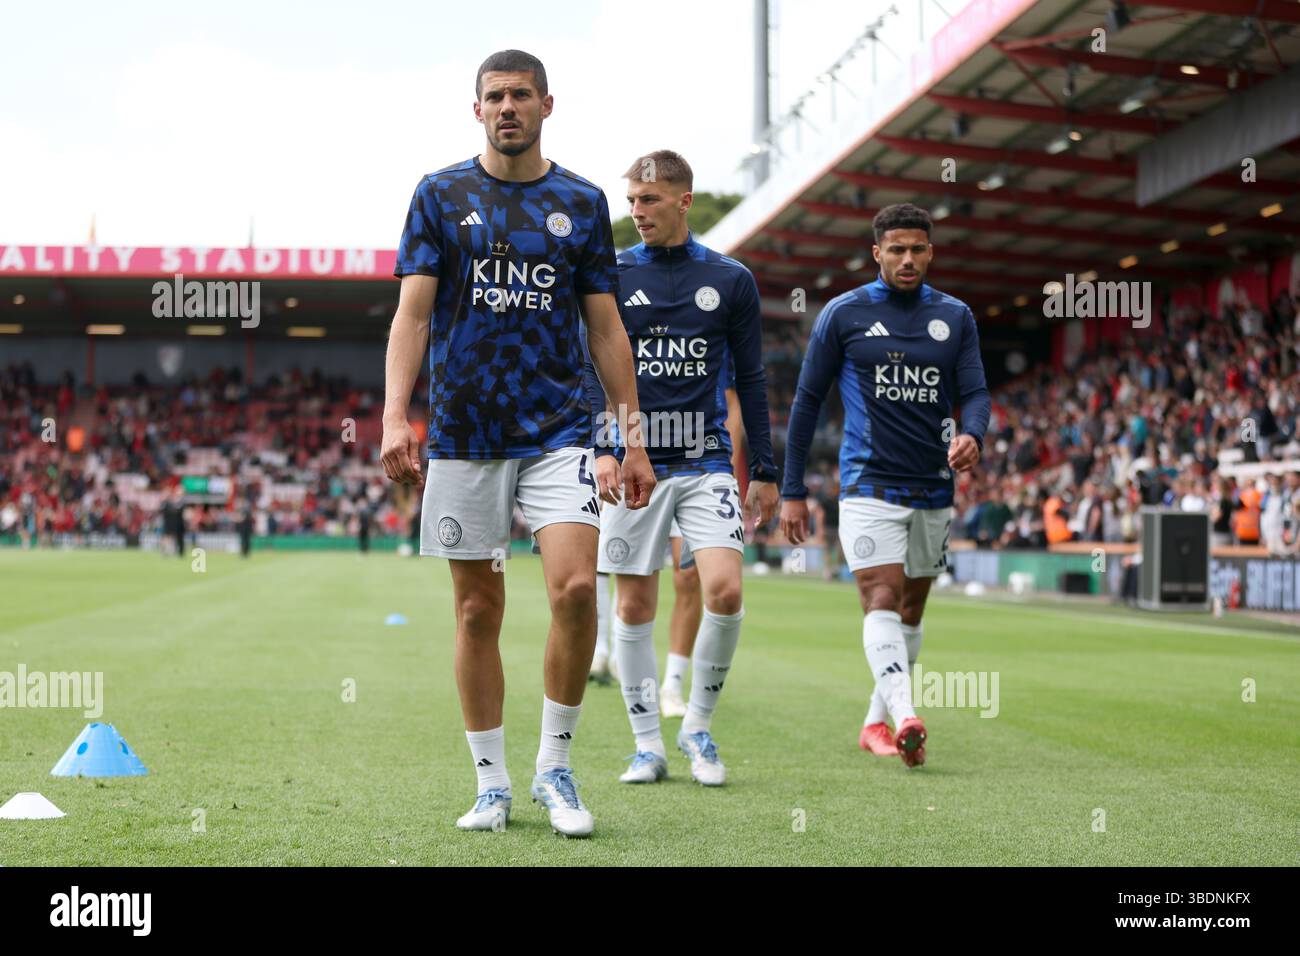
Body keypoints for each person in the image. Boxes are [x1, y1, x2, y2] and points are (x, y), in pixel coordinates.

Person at [380, 50, 655, 837]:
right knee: (476, 612)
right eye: (495, 96)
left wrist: (629, 437)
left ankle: (555, 771)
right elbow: (413, 316)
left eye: (521, 95)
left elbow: (606, 328)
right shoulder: (440, 195)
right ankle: (492, 784)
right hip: (466, 435)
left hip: (560, 430)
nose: (508, 107)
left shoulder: (582, 200)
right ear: (477, 110)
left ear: (547, 105)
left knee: (574, 590)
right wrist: (398, 415)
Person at [587, 149, 778, 787]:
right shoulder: (612, 274)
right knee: (634, 603)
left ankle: (698, 726)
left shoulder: (730, 279)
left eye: (649, 200)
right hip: (637, 460)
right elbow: (594, 368)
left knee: (723, 588)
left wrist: (767, 469)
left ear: (683, 200)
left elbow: (750, 377)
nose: (636, 212)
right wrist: (608, 447)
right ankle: (648, 746)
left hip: (705, 460)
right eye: (632, 200)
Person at [779, 202, 990, 769]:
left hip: (933, 487)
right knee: (880, 597)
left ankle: (876, 722)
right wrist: (792, 488)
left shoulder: (956, 316)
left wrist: (972, 433)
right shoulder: (844, 314)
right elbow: (805, 403)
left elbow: (974, 391)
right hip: (868, 484)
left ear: (930, 252)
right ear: (877, 253)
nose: (908, 258)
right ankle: (907, 716)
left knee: (912, 612)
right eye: (896, 249)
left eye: (918, 249)